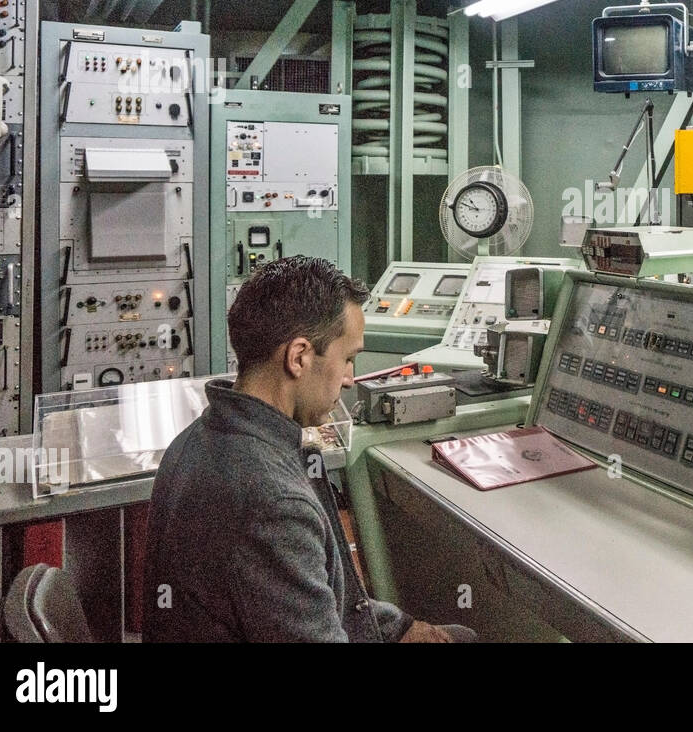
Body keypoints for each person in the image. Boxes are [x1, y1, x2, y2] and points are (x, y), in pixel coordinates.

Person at [143, 255, 473, 642]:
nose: (350, 379)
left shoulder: (199, 438)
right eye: (347, 359)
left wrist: (399, 629)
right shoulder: (272, 501)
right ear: (298, 357)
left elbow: (325, 601)